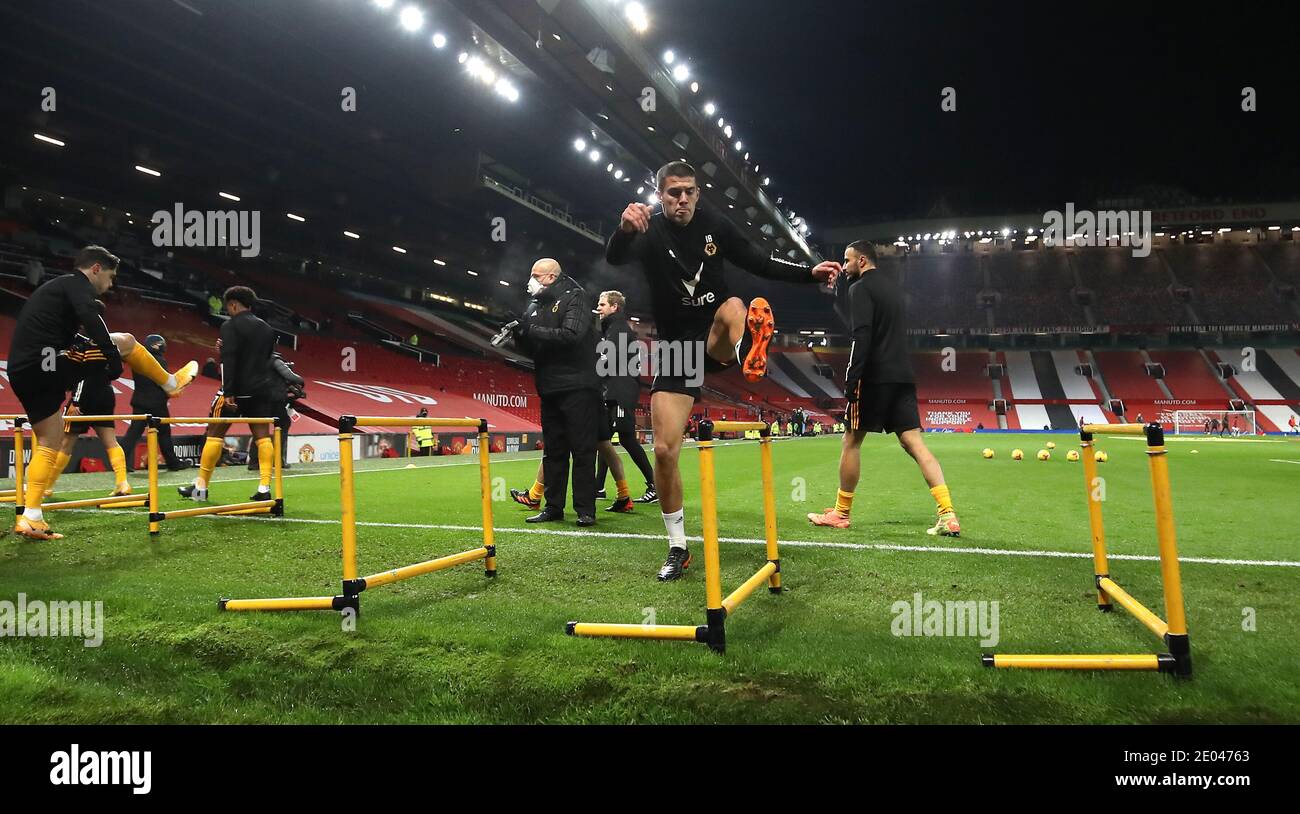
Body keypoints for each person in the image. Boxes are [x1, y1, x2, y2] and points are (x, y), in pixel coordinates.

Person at [606, 160, 836, 580]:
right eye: (674, 192)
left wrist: (809, 273)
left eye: (690, 191)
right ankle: (678, 546)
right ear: (661, 195)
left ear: (698, 193)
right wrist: (623, 228)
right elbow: (615, 257)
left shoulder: (716, 225)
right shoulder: (649, 229)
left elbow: (759, 262)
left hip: (713, 337)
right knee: (663, 451)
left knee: (734, 306)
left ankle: (748, 346)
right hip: (676, 349)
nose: (682, 199)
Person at [7, 246, 197, 540]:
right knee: (128, 341)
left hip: (24, 371)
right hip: (47, 360)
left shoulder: (57, 293)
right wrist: (111, 355)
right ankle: (170, 384)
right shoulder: (76, 284)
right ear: (95, 268)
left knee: (49, 440)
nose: (110, 285)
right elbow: (90, 317)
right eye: (110, 277)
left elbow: (72, 330)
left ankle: (30, 517)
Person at [807, 241, 960, 536]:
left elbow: (860, 336)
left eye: (847, 259)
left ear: (862, 261)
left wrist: (852, 380)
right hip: (902, 375)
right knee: (914, 444)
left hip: (874, 376)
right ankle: (947, 513)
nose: (845, 265)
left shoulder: (860, 289)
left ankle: (840, 513)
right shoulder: (893, 290)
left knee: (851, 441)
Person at [509, 258, 601, 526]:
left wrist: (531, 329)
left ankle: (585, 509)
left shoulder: (576, 297)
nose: (531, 281)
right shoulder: (534, 305)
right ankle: (553, 507)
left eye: (535, 275)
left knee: (583, 450)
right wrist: (519, 334)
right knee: (554, 450)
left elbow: (571, 334)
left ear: (551, 277)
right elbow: (531, 349)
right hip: (549, 386)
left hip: (579, 385)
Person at [178, 286, 278, 503]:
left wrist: (229, 391)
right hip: (261, 390)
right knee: (262, 436)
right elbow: (265, 357)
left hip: (236, 390)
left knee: (214, 433)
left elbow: (230, 360)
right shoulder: (267, 329)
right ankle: (264, 488)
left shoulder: (230, 326)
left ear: (233, 304)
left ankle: (200, 488)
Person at [592, 290, 656, 504]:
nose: (599, 308)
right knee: (603, 439)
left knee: (627, 438)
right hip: (614, 391)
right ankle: (598, 487)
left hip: (620, 394)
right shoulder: (614, 328)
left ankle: (654, 485)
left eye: (602, 304)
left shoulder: (617, 329)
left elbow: (606, 360)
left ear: (614, 307)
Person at [120, 334, 189, 472]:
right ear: (159, 345)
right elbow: (165, 384)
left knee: (133, 433)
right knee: (164, 434)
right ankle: (173, 463)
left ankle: (120, 463)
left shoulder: (138, 360)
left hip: (139, 401)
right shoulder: (160, 361)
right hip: (157, 404)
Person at [248, 352, 303, 470]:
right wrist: (301, 381)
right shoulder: (275, 360)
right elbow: (291, 376)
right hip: (274, 402)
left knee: (259, 430)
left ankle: (254, 462)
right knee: (283, 424)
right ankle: (278, 460)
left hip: (257, 400)